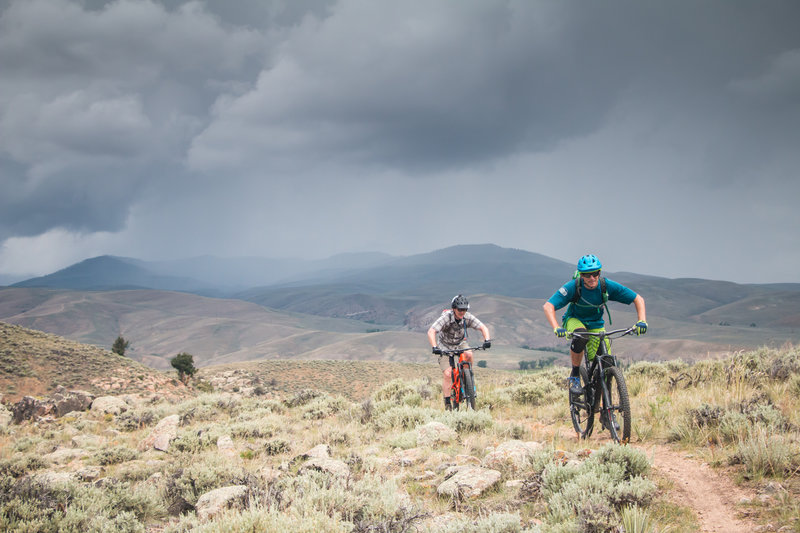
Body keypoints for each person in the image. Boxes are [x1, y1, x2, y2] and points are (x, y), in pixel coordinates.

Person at [542, 254, 647, 399]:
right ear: (581, 275)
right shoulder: (573, 287)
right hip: (575, 319)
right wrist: (556, 327)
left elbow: (638, 299)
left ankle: (604, 406)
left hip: (596, 324)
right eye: (587, 275)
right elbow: (548, 306)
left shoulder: (606, 286)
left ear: (599, 272)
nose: (592, 278)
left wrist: (642, 321)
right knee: (581, 336)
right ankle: (575, 375)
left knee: (607, 362)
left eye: (595, 273)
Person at [428, 294, 491, 410]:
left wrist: (487, 340)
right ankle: (448, 403)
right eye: (460, 309)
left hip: (460, 343)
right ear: (454, 309)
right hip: (445, 346)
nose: (462, 312)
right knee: (448, 374)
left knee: (469, 354)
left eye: (464, 309)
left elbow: (483, 327)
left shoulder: (467, 317)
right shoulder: (446, 318)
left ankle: (468, 377)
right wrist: (434, 347)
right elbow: (431, 331)